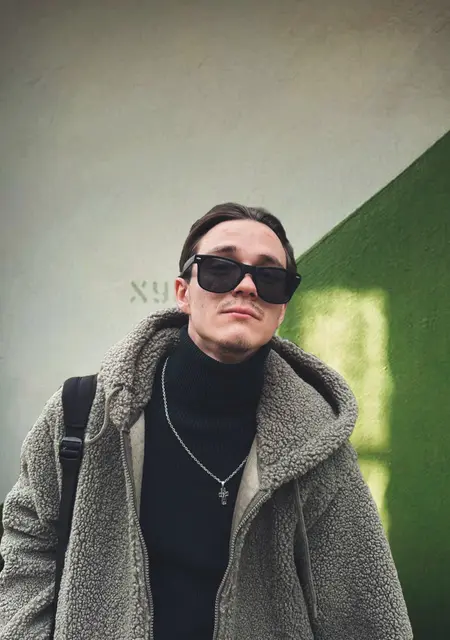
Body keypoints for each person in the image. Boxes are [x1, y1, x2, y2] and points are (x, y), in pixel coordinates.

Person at [0, 202, 412, 640]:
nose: (247, 286)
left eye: (270, 278)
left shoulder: (317, 445)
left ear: (281, 310)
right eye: (220, 268)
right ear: (183, 292)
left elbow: (365, 605)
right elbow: (28, 542)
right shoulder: (84, 414)